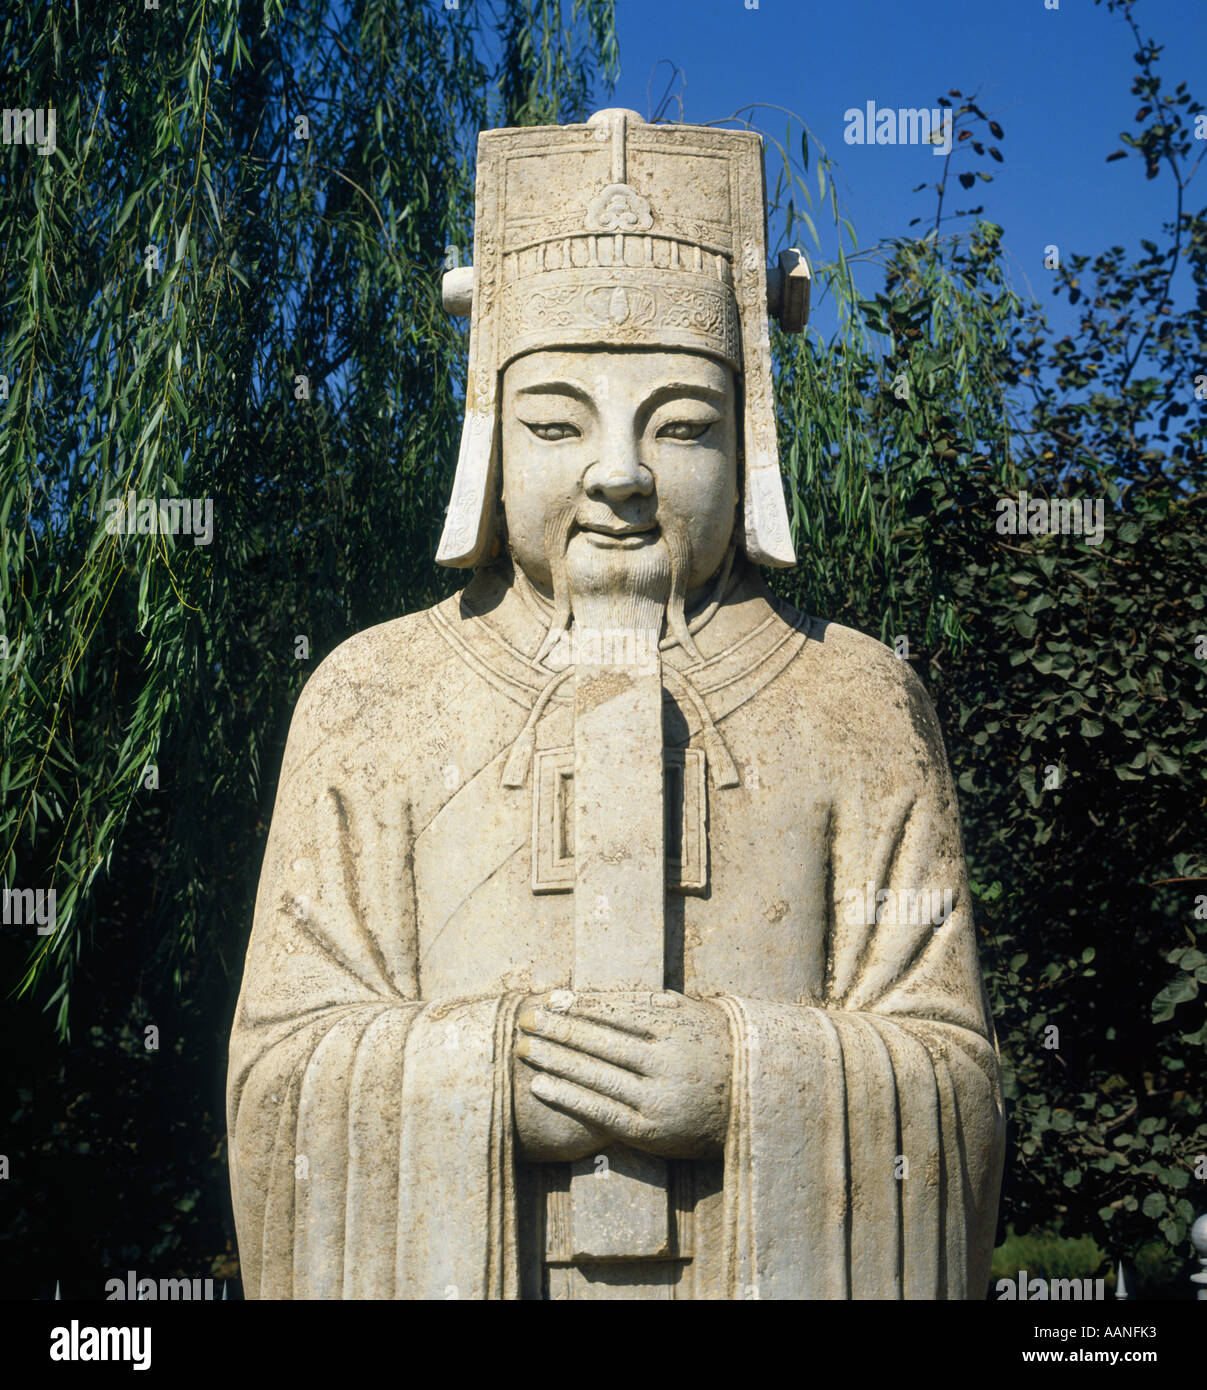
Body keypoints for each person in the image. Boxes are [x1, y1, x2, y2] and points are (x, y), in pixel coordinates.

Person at [227, 108, 1004, 1300]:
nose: (621, 473)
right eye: (555, 423)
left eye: (682, 425)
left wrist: (746, 1077)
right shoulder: (373, 697)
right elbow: (278, 1072)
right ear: (489, 440)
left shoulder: (855, 700)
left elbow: (950, 1074)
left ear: (748, 441)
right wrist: (486, 1077)